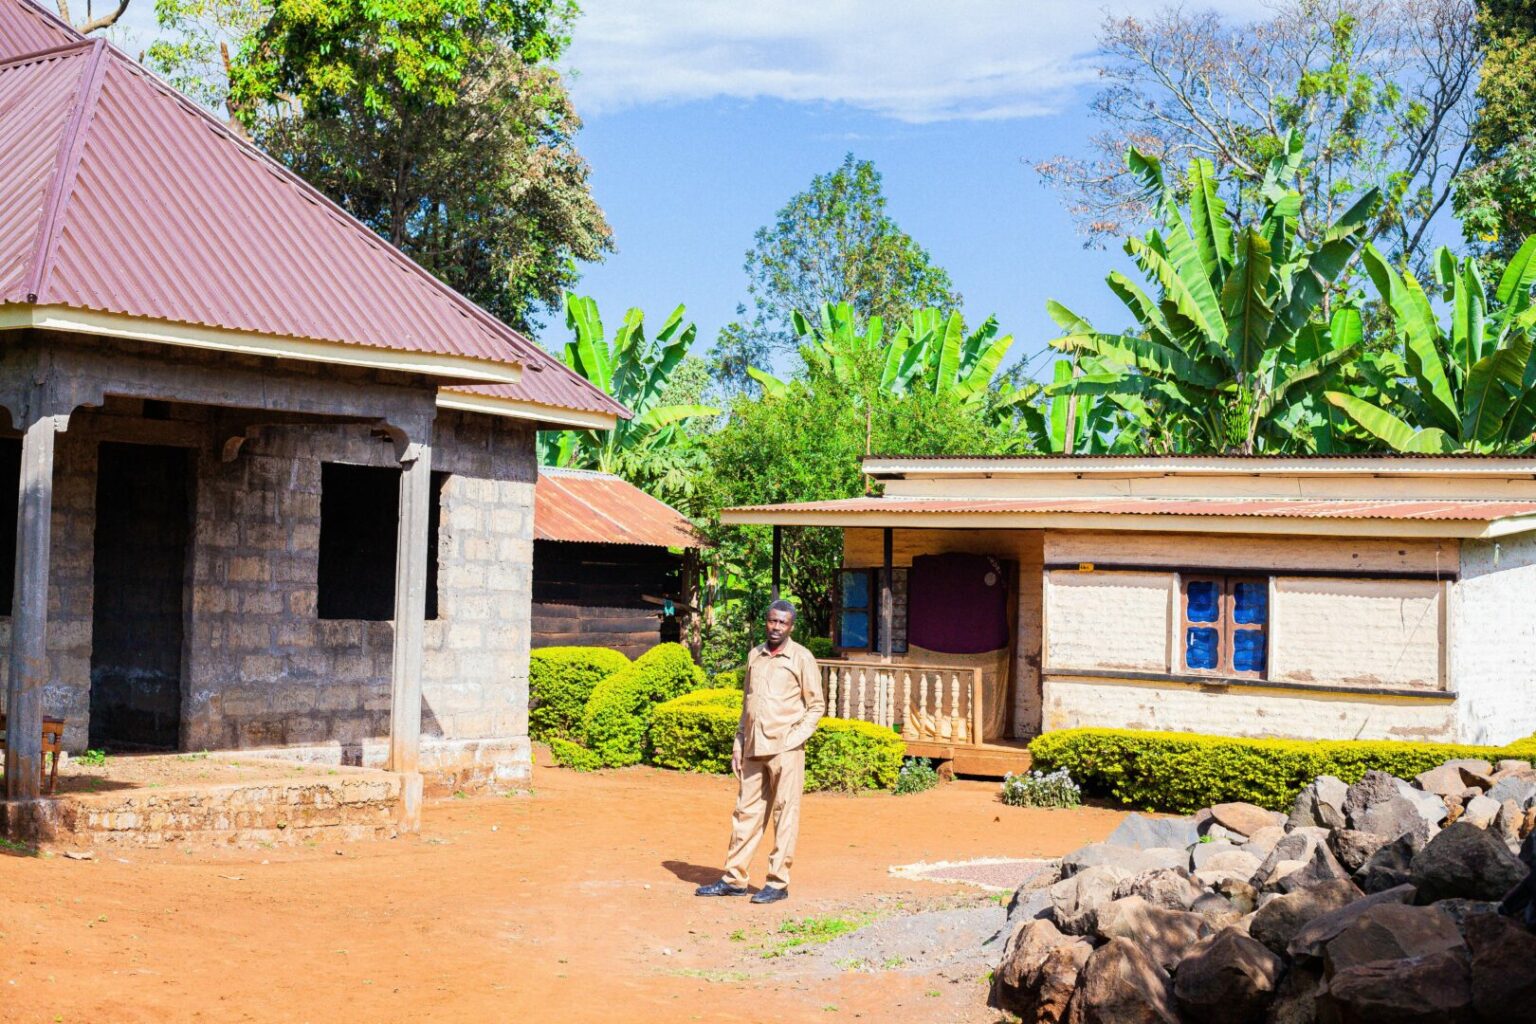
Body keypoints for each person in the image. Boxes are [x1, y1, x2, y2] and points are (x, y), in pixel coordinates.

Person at [695, 599, 824, 904]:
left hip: (785, 750)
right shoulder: (755, 655)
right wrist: (739, 742)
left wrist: (793, 739)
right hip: (753, 747)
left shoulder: (801, 658)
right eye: (772, 621)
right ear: (766, 622)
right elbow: (747, 704)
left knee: (784, 814)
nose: (776, 627)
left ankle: (778, 883)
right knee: (745, 813)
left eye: (783, 623)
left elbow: (816, 706)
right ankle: (734, 879)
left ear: (791, 627)